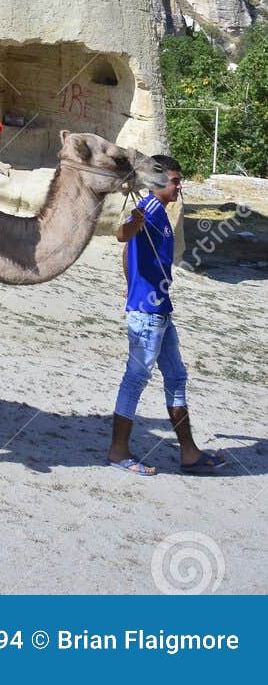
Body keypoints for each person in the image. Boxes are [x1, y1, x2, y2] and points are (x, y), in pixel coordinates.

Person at [107, 153, 225, 476]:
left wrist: (130, 284)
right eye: (175, 181)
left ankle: (189, 453)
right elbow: (123, 235)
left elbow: (128, 251)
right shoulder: (149, 209)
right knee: (135, 378)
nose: (179, 186)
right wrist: (134, 224)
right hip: (147, 312)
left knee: (176, 376)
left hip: (160, 308)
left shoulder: (160, 212)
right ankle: (118, 451)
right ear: (159, 181)